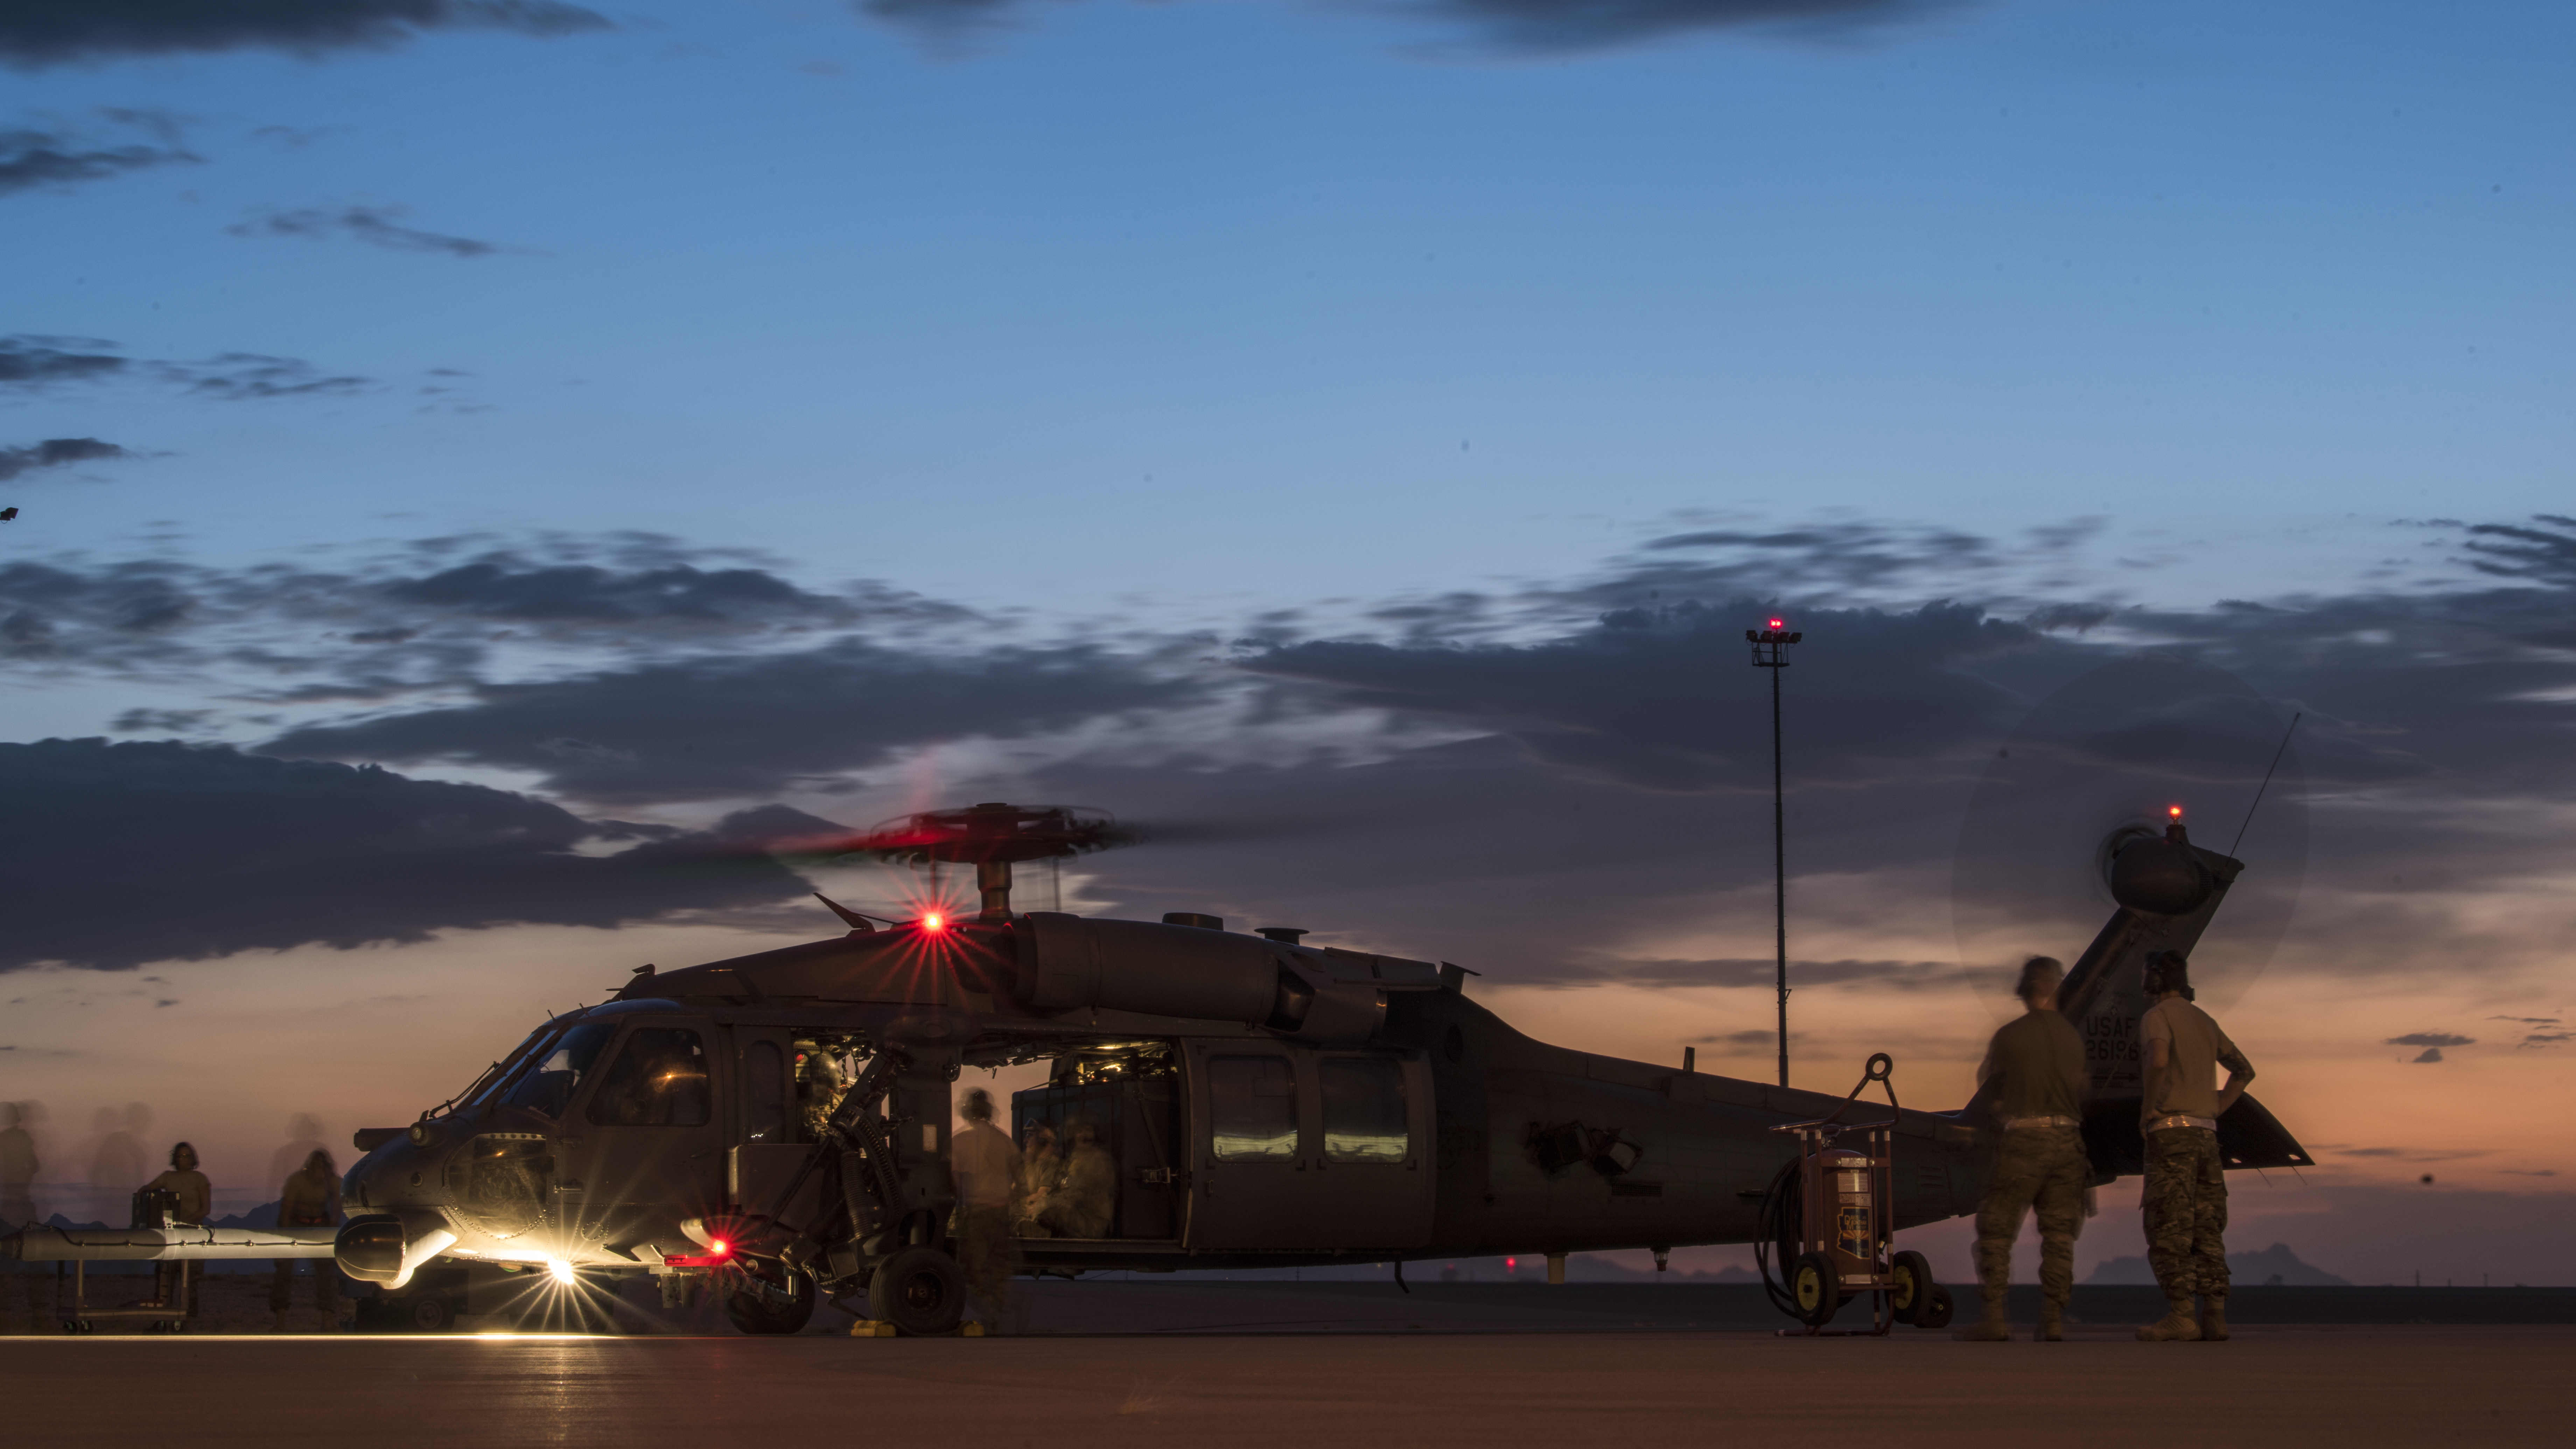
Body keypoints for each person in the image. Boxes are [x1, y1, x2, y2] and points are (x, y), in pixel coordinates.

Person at [1959, 957, 2091, 1342]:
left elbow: (1988, 1082)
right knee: (2059, 1236)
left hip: (2025, 1138)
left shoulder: (2009, 1037)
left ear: (2024, 988)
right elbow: (2082, 1090)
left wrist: (2003, 1110)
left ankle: (1994, 1317)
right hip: (2068, 1141)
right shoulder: (2072, 1038)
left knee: (1997, 1230)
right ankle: (2051, 1318)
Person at [2136, 950, 2254, 1342]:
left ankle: (2181, 1314)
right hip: (2207, 1136)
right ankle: (2215, 1315)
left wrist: (2148, 1108)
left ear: (2153, 980)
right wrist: (2216, 1107)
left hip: (2171, 1134)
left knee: (2168, 1223)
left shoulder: (2158, 1016)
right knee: (2206, 1225)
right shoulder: (2205, 1021)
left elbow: (2157, 1060)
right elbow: (2243, 1070)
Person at [948, 1088, 1023, 1331]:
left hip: (976, 1216)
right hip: (1001, 1215)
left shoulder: (959, 1142)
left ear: (967, 1112)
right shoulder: (1005, 1141)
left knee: (972, 1269)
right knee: (997, 1270)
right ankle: (999, 1317)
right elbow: (1020, 1180)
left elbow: (956, 1183)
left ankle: (986, 1317)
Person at [272, 1148, 343, 1332]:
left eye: (323, 1167)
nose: (320, 1171)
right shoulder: (297, 1181)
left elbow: (336, 1209)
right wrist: (285, 1241)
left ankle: (327, 1319)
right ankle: (280, 1319)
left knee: (327, 1272)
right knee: (284, 1271)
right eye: (316, 1166)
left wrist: (330, 1235)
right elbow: (286, 1212)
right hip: (295, 1223)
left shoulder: (333, 1182)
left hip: (319, 1225)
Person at [143, 1141, 212, 1316]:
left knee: (189, 1284)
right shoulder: (168, 1177)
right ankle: (161, 1319)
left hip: (193, 1236)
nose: (185, 1160)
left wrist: (184, 1223)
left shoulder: (200, 1179)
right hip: (169, 1237)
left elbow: (205, 1209)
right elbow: (146, 1190)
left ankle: (189, 1322)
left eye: (188, 1156)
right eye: (181, 1156)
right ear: (175, 1159)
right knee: (164, 1282)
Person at [1038, 1119, 1115, 1241]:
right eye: (1080, 1131)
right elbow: (1057, 1186)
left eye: (1089, 1130)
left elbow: (1077, 1194)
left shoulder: (1098, 1160)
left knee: (1049, 1213)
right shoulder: (1072, 1159)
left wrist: (1046, 1204)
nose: (1085, 1135)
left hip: (1092, 1222)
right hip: (1077, 1216)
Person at [1013, 1122, 1062, 1237]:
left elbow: (1042, 1195)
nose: (1025, 1140)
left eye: (1030, 1136)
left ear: (1041, 1141)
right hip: (1024, 1209)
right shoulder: (1028, 1164)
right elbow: (1015, 1191)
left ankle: (1033, 1229)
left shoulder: (1051, 1163)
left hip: (1038, 1212)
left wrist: (1022, 1201)